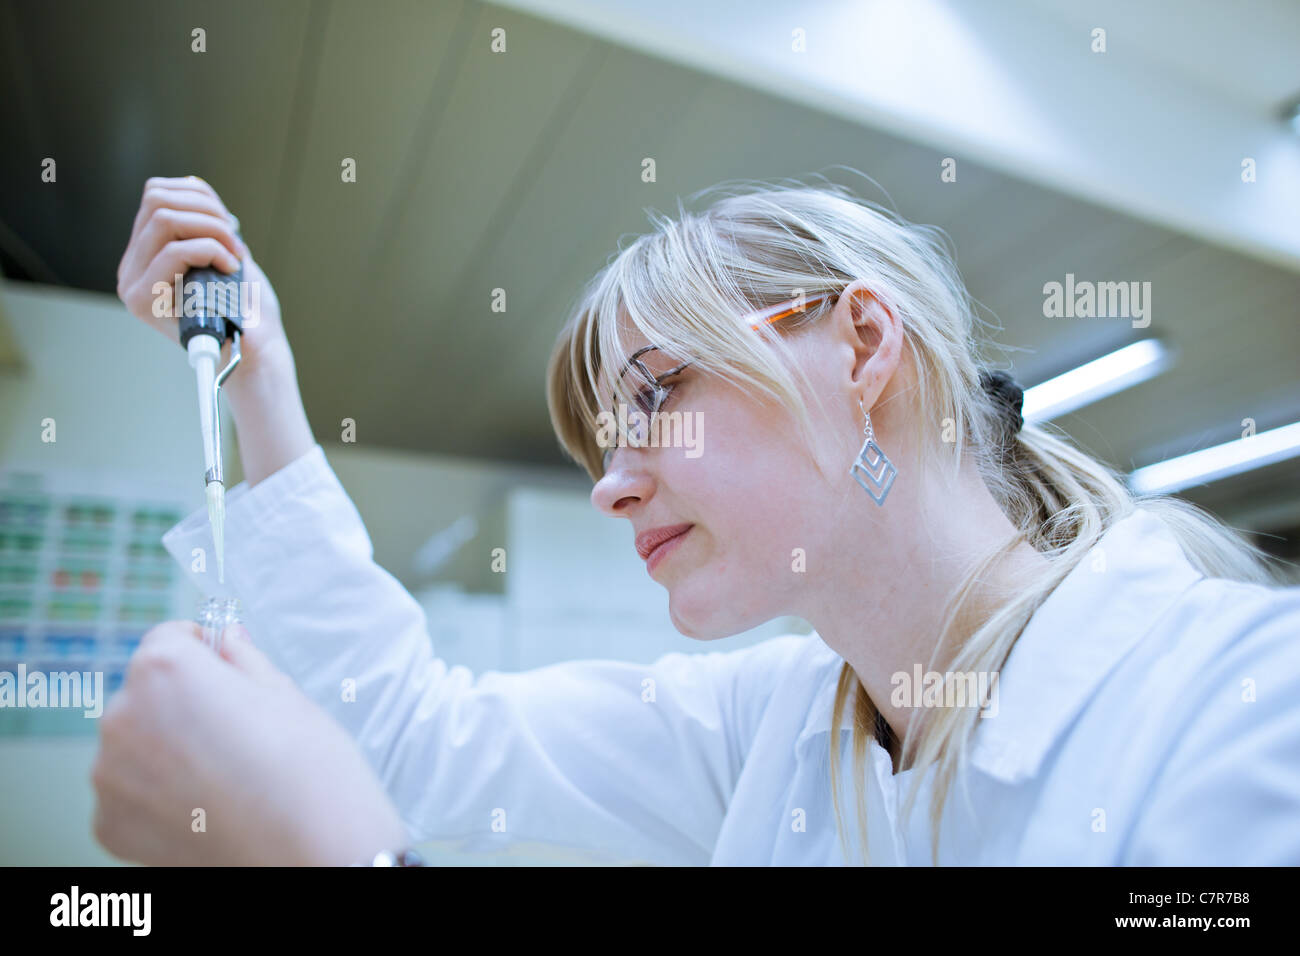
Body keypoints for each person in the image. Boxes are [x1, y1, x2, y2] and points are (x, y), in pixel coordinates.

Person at [95, 173, 1300, 866]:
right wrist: (259, 378)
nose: (611, 482)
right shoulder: (770, 727)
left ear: (865, 345)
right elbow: (420, 733)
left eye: (653, 397)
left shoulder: (1240, 700)